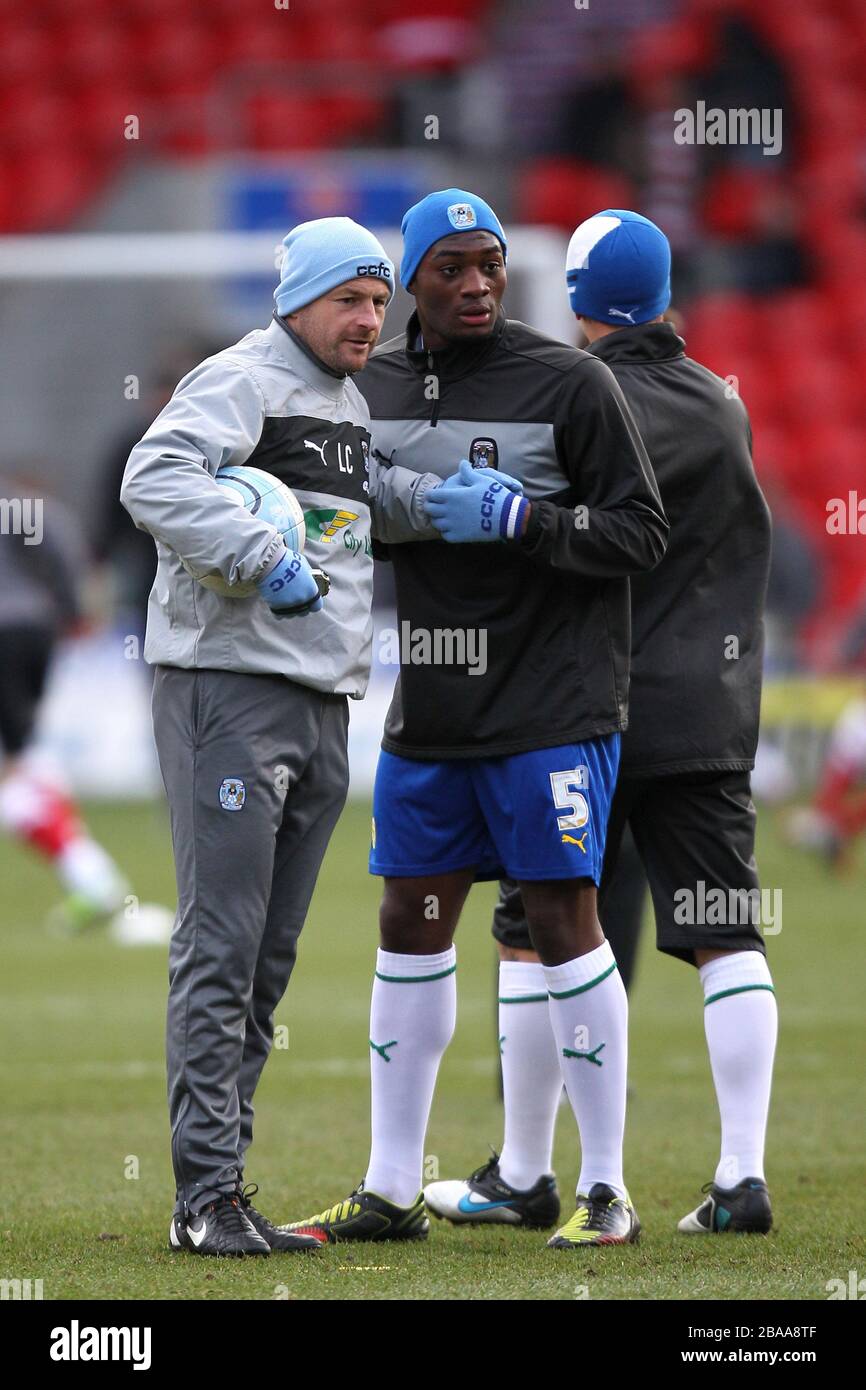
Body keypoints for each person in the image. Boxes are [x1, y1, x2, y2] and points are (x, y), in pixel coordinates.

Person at [283, 189, 668, 1250]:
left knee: (557, 922)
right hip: (433, 711)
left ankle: (604, 1190)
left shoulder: (573, 381)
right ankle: (389, 1186)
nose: (475, 284)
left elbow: (639, 533)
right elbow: (350, 526)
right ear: (413, 278)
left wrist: (525, 519)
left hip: (552, 703)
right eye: (450, 266)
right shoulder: (372, 389)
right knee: (406, 922)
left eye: (489, 264)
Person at [425, 210, 778, 1238]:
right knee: (725, 933)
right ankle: (740, 1174)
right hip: (705, 714)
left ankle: (525, 1172)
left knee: (531, 932)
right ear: (665, 292)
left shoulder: (577, 398)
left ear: (574, 298)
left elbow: (539, 539)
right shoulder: (723, 403)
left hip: (578, 707)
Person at [120, 217, 441, 1258]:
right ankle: (201, 1197)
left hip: (317, 697)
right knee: (221, 944)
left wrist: (441, 505)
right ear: (297, 298)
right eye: (350, 299)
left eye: (379, 302)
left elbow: (355, 508)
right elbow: (153, 478)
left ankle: (222, 1188)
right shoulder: (241, 378)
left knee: (265, 959)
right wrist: (262, 556)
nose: (368, 319)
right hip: (230, 693)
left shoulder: (343, 403)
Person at [0, 470, 129, 931]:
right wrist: (74, 612)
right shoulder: (24, 505)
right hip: (34, 629)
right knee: (23, 757)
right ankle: (91, 877)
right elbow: (65, 550)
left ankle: (94, 880)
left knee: (17, 771)